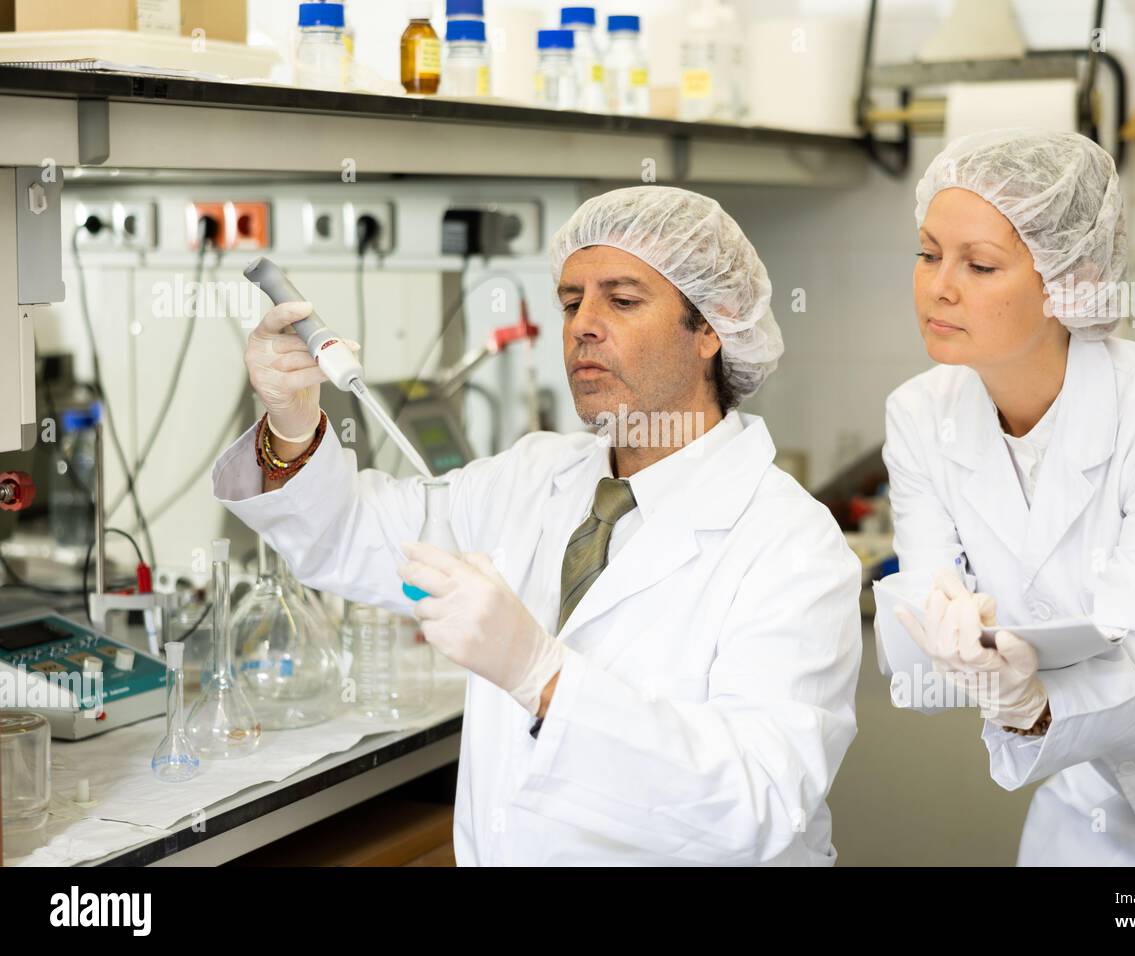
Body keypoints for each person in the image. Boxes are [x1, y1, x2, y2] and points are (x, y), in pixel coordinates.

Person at [212, 185, 863, 865]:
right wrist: (290, 422)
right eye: (571, 300)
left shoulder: (789, 543)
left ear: (711, 328)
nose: (583, 323)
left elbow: (759, 802)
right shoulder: (530, 477)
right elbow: (345, 539)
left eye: (623, 299)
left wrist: (542, 676)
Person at [880, 128, 1135, 866]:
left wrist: (1026, 701)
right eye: (927, 252)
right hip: (1094, 784)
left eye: (979, 264)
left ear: (1068, 282)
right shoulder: (920, 415)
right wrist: (951, 650)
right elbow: (926, 601)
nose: (938, 285)